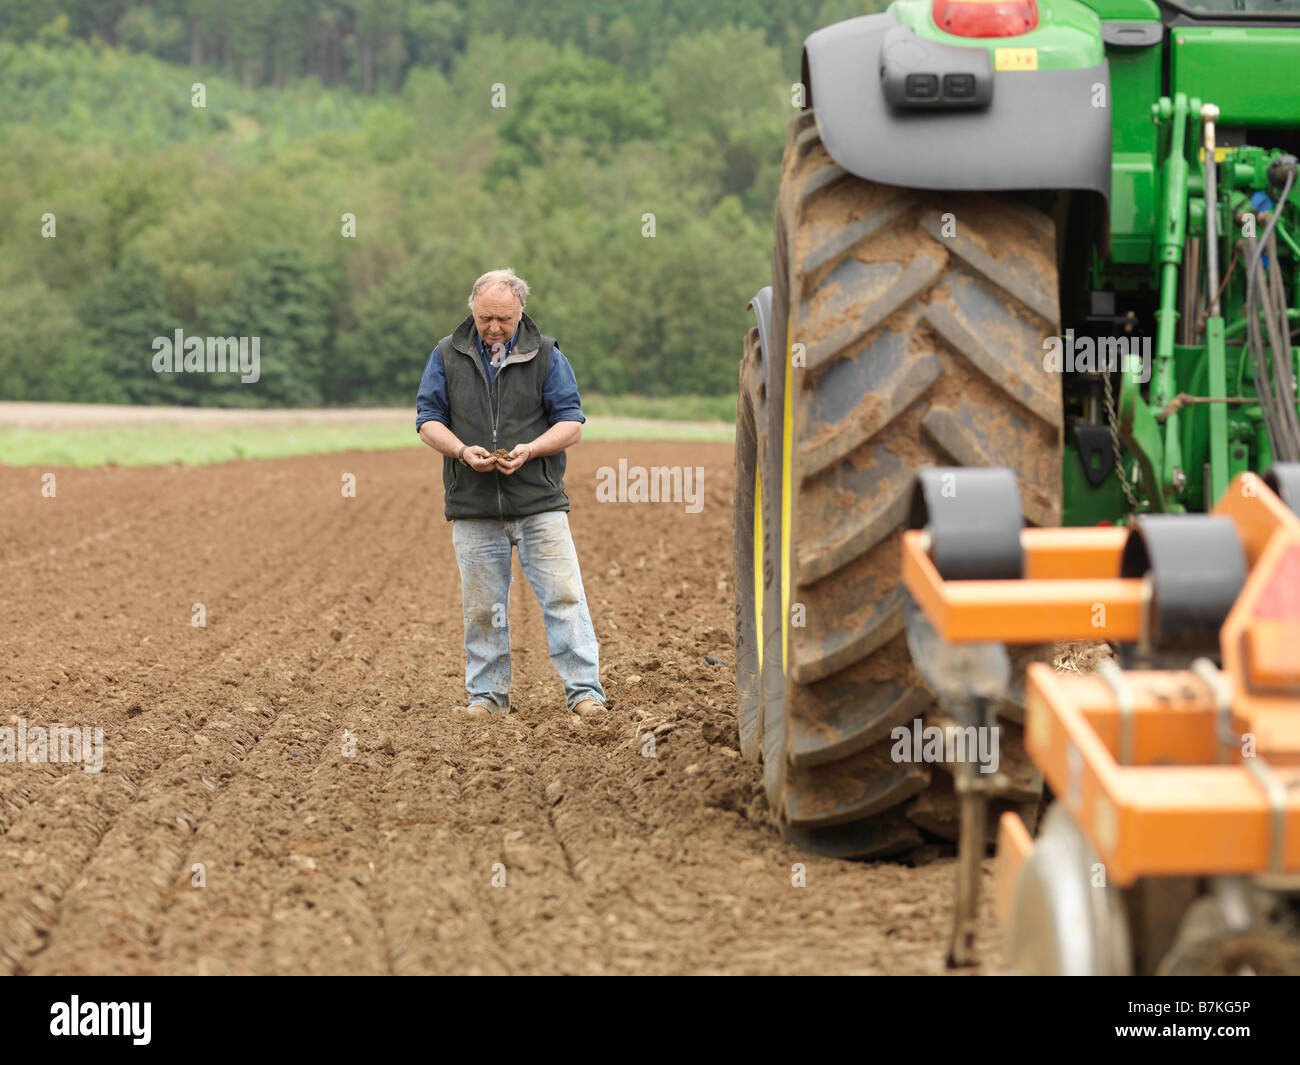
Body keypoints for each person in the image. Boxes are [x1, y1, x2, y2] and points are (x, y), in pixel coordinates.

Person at [415, 268, 607, 719]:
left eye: (503, 318)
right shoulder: (446, 354)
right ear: (473, 311)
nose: (494, 328)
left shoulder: (545, 354)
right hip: (474, 506)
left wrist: (531, 450)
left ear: (521, 311)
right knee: (484, 608)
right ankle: (487, 697)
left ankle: (584, 692)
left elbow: (572, 423)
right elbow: (427, 420)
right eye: (485, 318)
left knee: (564, 598)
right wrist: (463, 452)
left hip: (539, 503)